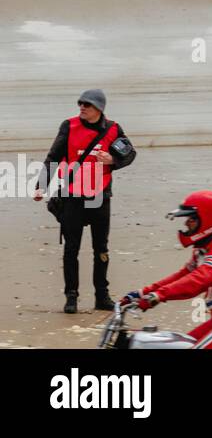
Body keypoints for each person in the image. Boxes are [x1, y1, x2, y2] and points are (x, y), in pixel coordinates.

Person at [120, 190, 212, 349]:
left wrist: (158, 296)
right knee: (181, 343)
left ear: (207, 219)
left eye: (191, 218)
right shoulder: (206, 247)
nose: (186, 223)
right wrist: (144, 292)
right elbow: (184, 275)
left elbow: (200, 280)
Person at [33, 89, 136, 314]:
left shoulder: (113, 129)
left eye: (87, 105)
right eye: (80, 103)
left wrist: (113, 160)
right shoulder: (69, 126)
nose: (82, 107)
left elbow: (129, 154)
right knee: (71, 249)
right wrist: (41, 185)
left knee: (101, 248)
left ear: (99, 108)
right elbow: (54, 157)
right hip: (72, 198)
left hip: (99, 197)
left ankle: (102, 296)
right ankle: (71, 296)